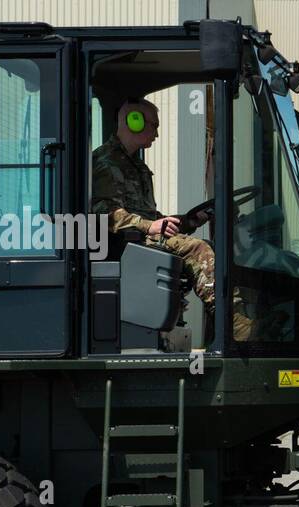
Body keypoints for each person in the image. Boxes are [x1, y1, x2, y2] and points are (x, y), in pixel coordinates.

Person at [90, 98, 251, 341]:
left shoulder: (136, 166)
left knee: (205, 244)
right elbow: (104, 211)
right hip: (122, 245)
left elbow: (149, 216)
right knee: (197, 249)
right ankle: (234, 327)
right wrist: (150, 226)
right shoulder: (105, 162)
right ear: (134, 122)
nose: (156, 132)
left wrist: (188, 221)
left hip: (139, 238)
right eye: (153, 125)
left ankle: (228, 323)